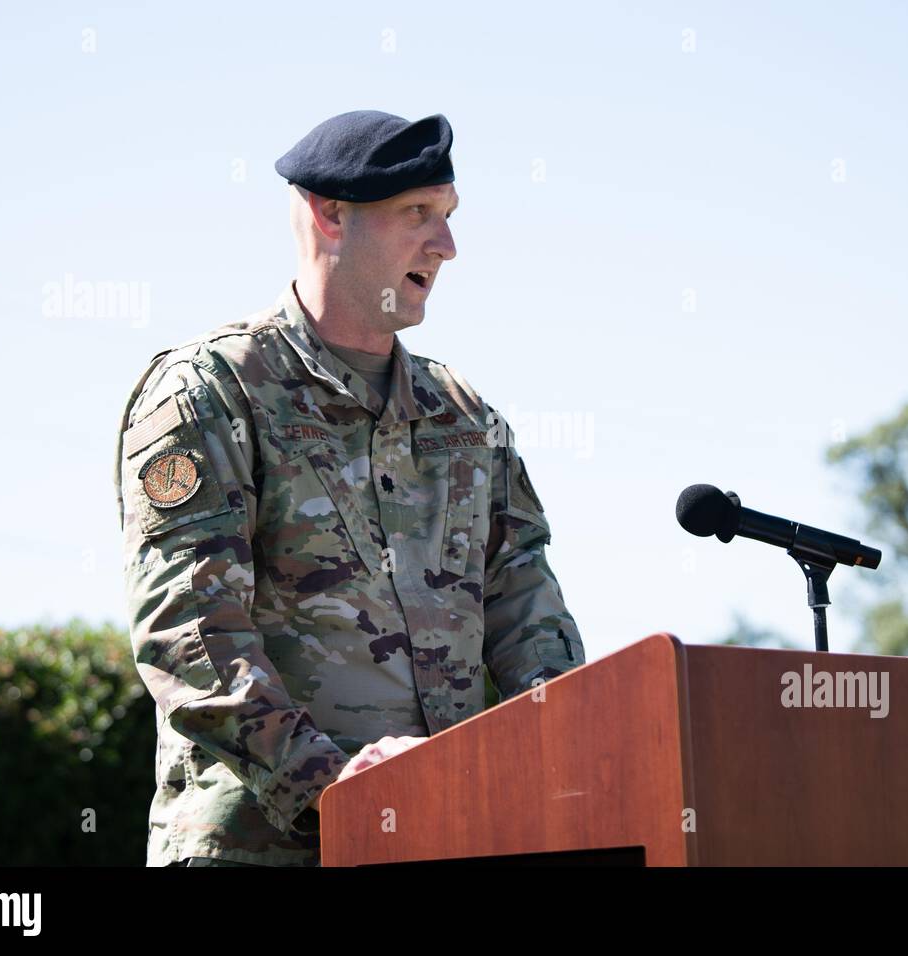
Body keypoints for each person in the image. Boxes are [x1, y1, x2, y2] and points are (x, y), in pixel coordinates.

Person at [113, 110, 585, 867]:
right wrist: (336, 788)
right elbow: (191, 630)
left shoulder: (465, 417)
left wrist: (570, 768)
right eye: (418, 214)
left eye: (449, 217)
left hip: (440, 843)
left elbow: (529, 614)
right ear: (330, 214)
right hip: (258, 850)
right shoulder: (212, 392)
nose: (447, 245)